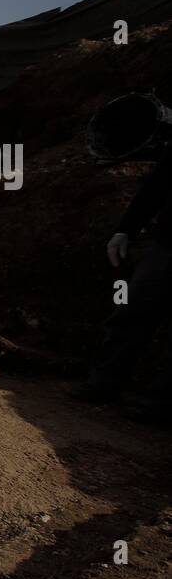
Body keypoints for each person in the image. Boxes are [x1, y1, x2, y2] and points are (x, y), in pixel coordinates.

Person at [74, 144, 171, 420]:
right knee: (132, 311)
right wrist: (126, 229)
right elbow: (158, 183)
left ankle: (158, 404)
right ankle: (103, 382)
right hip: (167, 245)